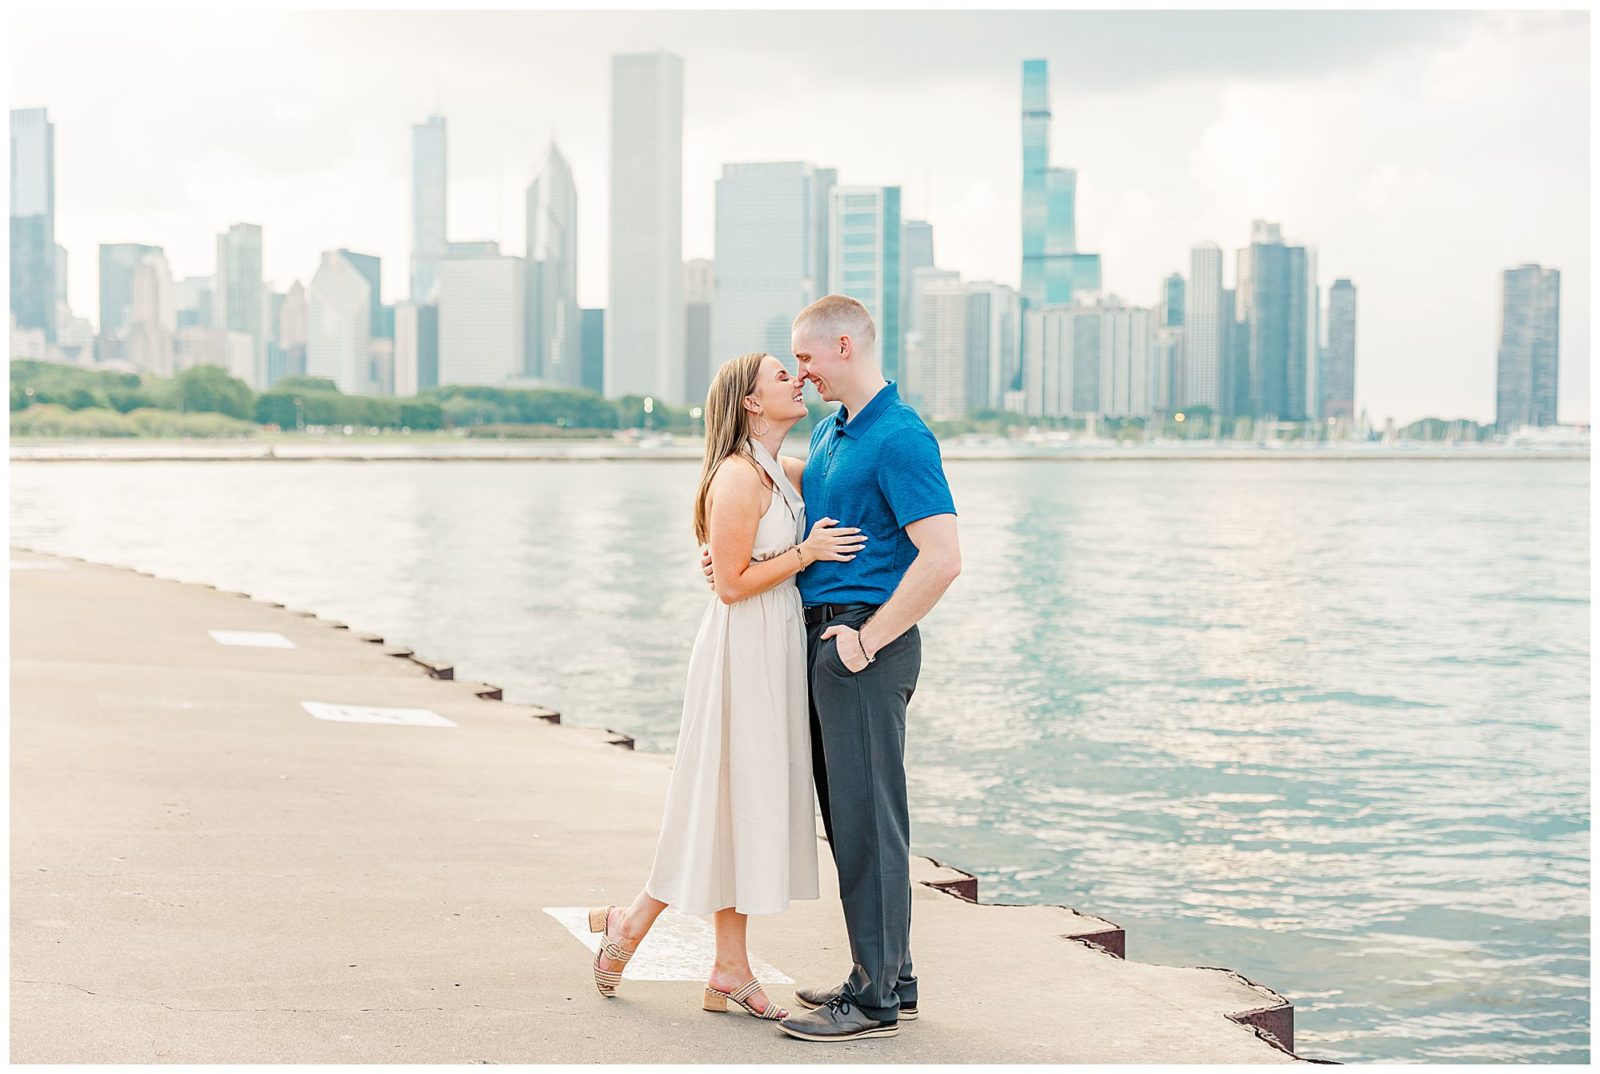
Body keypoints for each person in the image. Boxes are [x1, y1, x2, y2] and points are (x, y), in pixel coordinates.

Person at [703, 294, 961, 1043]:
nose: (804, 372)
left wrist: (867, 641)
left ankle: (875, 999)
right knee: (855, 821)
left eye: (807, 358)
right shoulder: (832, 435)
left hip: (861, 648)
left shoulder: (901, 437)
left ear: (844, 348)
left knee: (868, 821)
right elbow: (775, 486)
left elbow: (943, 560)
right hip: (826, 642)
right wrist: (729, 548)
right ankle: (888, 976)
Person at [587, 351, 867, 1021]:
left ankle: (727, 968)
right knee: (718, 798)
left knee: (743, 803)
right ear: (749, 401)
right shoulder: (739, 477)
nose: (794, 379)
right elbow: (734, 583)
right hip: (741, 649)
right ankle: (632, 926)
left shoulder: (780, 469)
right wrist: (805, 554)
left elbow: (839, 480)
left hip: (772, 646)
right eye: (780, 374)